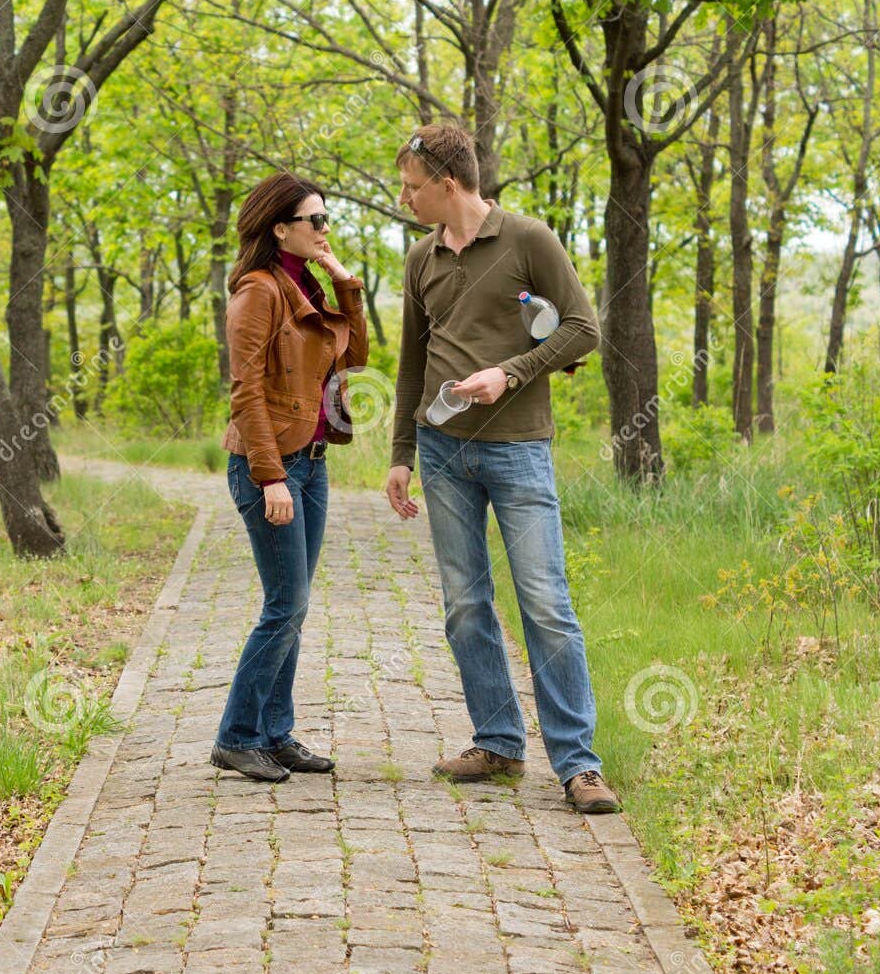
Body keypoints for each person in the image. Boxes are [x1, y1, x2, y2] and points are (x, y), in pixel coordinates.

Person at [385, 122, 620, 815]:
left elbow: (583, 328)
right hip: (442, 452)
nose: (406, 198)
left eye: (412, 186)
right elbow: (410, 363)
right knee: (465, 605)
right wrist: (401, 452)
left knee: (545, 603)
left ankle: (579, 764)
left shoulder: (528, 240)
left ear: (448, 184)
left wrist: (509, 374)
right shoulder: (420, 260)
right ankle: (498, 740)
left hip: (518, 448)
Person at [212, 172, 369, 783]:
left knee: (294, 607)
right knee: (285, 605)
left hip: (312, 462)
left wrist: (345, 283)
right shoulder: (258, 290)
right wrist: (270, 476)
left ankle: (275, 734)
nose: (325, 229)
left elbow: (354, 357)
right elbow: (245, 389)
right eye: (316, 221)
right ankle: (236, 735)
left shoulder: (306, 284)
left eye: (327, 219)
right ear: (281, 228)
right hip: (270, 467)